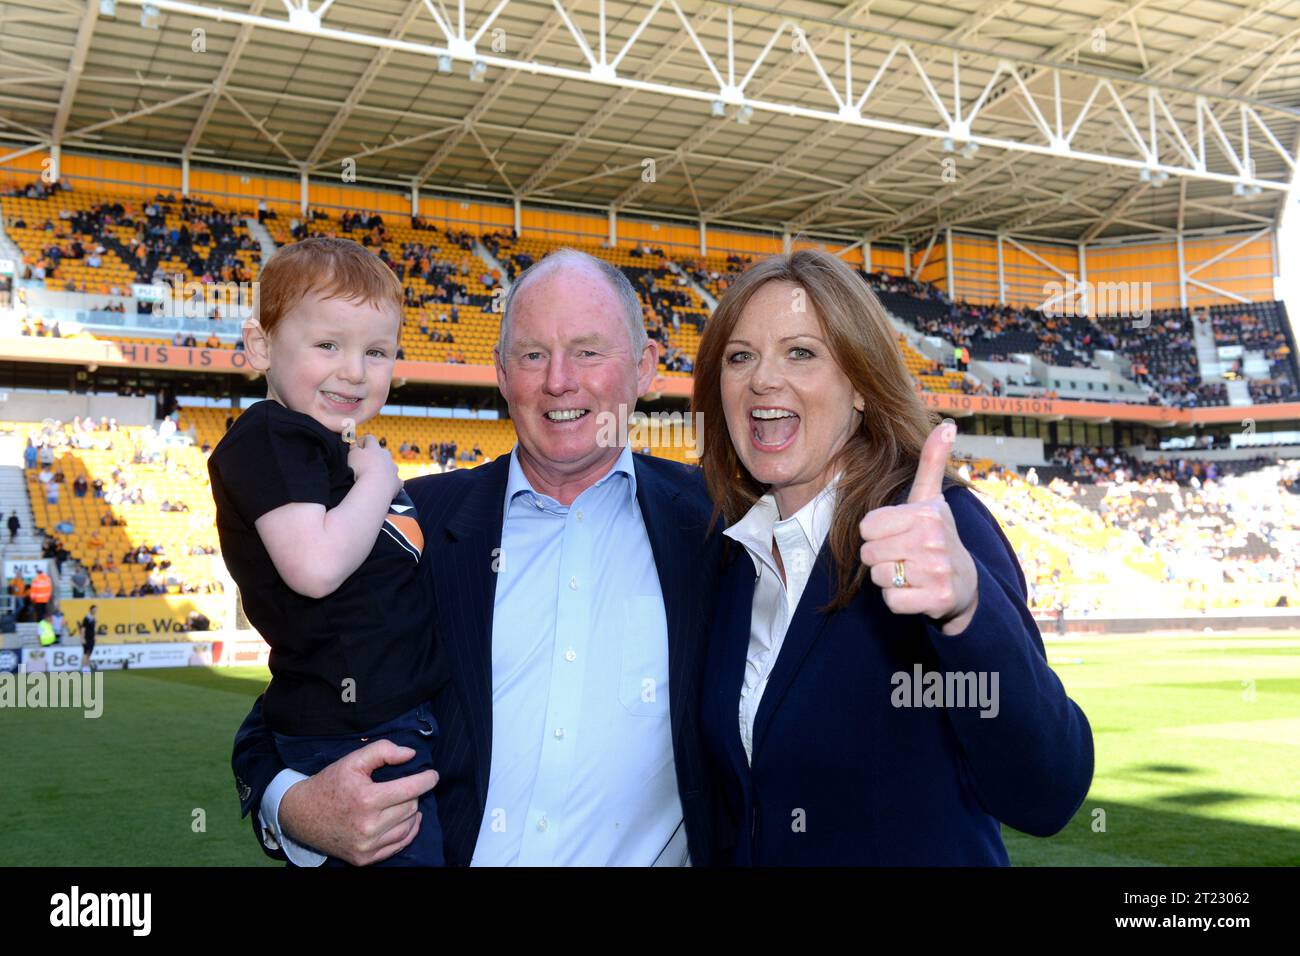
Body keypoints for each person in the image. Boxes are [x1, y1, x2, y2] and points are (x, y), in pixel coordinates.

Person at [232, 248, 724, 867]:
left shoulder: (717, 529)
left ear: (646, 366)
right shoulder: (413, 523)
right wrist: (297, 808)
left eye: (588, 351)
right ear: (500, 371)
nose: (558, 380)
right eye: (532, 355)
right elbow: (296, 694)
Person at [691, 250, 1093, 865]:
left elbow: (1047, 792)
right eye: (739, 356)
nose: (762, 379)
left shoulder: (928, 525)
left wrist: (967, 612)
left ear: (860, 386)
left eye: (801, 352)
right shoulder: (732, 555)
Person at [209, 237, 447, 867]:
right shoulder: (270, 434)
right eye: (328, 345)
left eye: (377, 352)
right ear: (260, 346)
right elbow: (315, 569)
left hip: (387, 717)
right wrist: (377, 481)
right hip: (359, 731)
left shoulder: (320, 447)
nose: (355, 370)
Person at [80, 605, 98, 672]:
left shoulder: (93, 618)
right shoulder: (87, 618)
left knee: (89, 653)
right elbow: (83, 629)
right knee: (86, 653)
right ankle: (83, 667)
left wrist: (95, 636)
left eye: (95, 609)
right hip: (87, 638)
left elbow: (93, 629)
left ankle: (86, 667)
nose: (95, 611)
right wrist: (82, 638)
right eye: (94, 609)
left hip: (91, 638)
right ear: (91, 610)